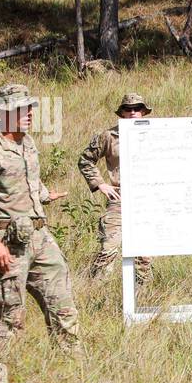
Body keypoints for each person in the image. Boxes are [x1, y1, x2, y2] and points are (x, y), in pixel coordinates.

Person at [0, 83, 79, 348]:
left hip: (39, 236)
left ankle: (73, 369)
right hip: (7, 243)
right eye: (21, 109)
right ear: (4, 112)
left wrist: (45, 195)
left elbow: (28, 181)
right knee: (7, 315)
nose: (28, 113)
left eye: (29, 108)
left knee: (63, 305)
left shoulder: (27, 142)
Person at [79, 92, 154, 283]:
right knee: (108, 249)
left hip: (147, 199)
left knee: (143, 256)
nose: (133, 112)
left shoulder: (155, 133)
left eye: (137, 108)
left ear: (143, 111)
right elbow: (85, 160)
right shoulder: (108, 136)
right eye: (128, 109)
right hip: (119, 199)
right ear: (121, 113)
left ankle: (145, 298)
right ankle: (95, 292)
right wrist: (100, 184)